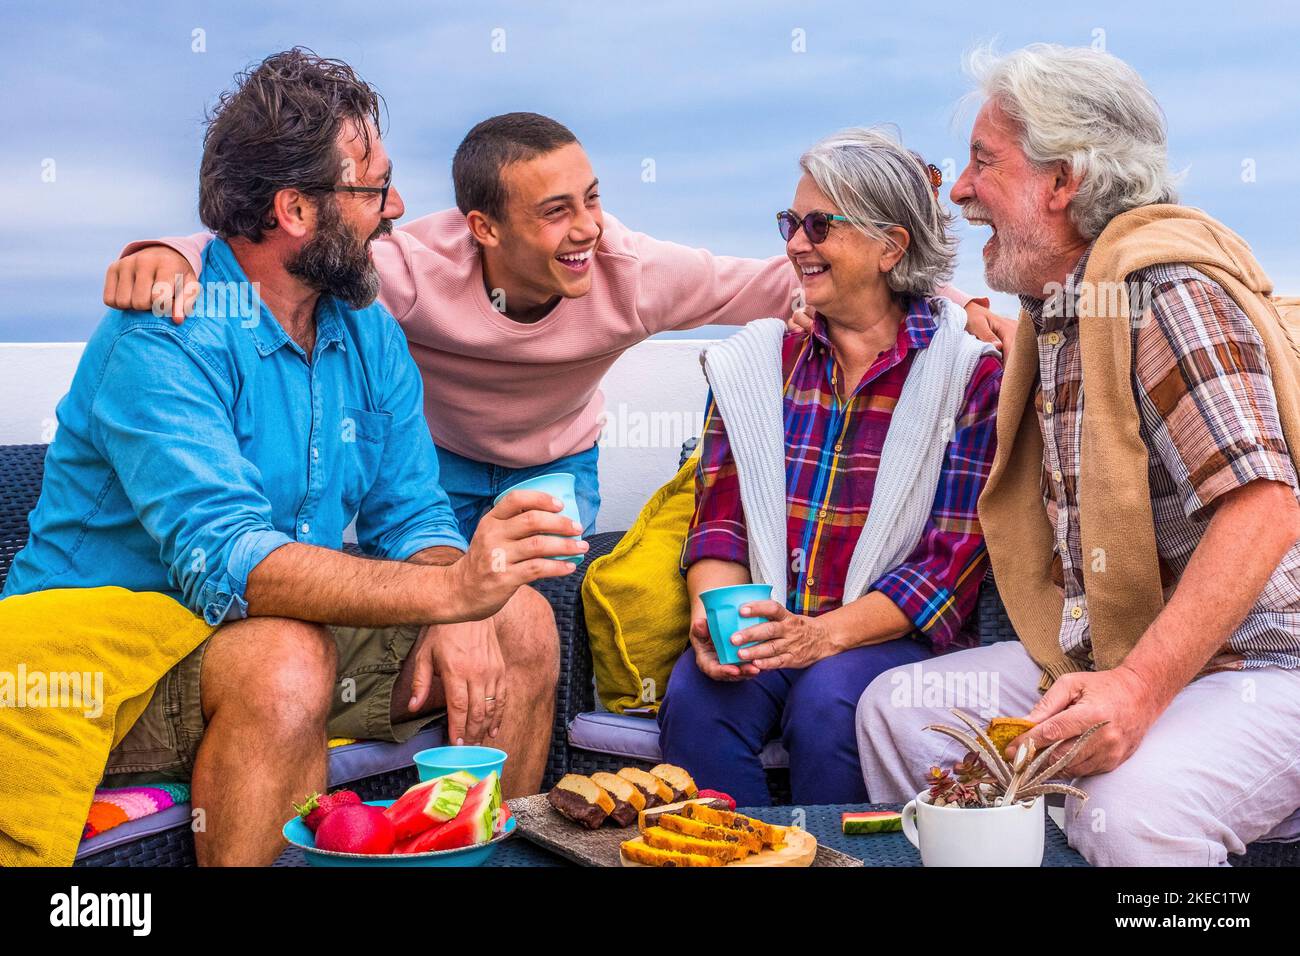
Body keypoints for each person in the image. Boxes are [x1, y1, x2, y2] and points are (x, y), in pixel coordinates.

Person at [1, 50, 583, 865]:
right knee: (286, 657)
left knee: (518, 620)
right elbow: (230, 562)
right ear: (296, 211)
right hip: (105, 651)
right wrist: (450, 589)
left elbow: (409, 511)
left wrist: (464, 602)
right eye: (375, 187)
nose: (398, 207)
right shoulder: (164, 336)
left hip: (258, 633)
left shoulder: (362, 322)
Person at [102, 113, 1003, 540]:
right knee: (442, 618)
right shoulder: (414, 270)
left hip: (555, 463)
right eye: (557, 211)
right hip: (434, 470)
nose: (588, 229)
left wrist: (953, 307)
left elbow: (776, 281)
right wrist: (172, 252)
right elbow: (287, 243)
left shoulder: (633, 272)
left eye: (595, 200)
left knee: (529, 608)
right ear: (483, 229)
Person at [857, 43, 1300, 865]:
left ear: (1064, 183)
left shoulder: (1166, 295)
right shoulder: (1061, 311)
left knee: (1126, 813)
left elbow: (1266, 507)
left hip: (1264, 671)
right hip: (1118, 648)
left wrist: (1135, 693)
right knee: (897, 710)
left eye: (983, 163)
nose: (956, 189)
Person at [657, 128, 1003, 806]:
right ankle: (727, 853)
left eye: (819, 225)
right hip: (777, 623)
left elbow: (946, 567)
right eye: (791, 223)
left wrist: (819, 637)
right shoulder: (756, 362)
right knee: (698, 695)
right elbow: (720, 523)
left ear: (890, 247)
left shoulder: (969, 374)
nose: (794, 244)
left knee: (828, 702)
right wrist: (711, 615)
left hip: (889, 637)